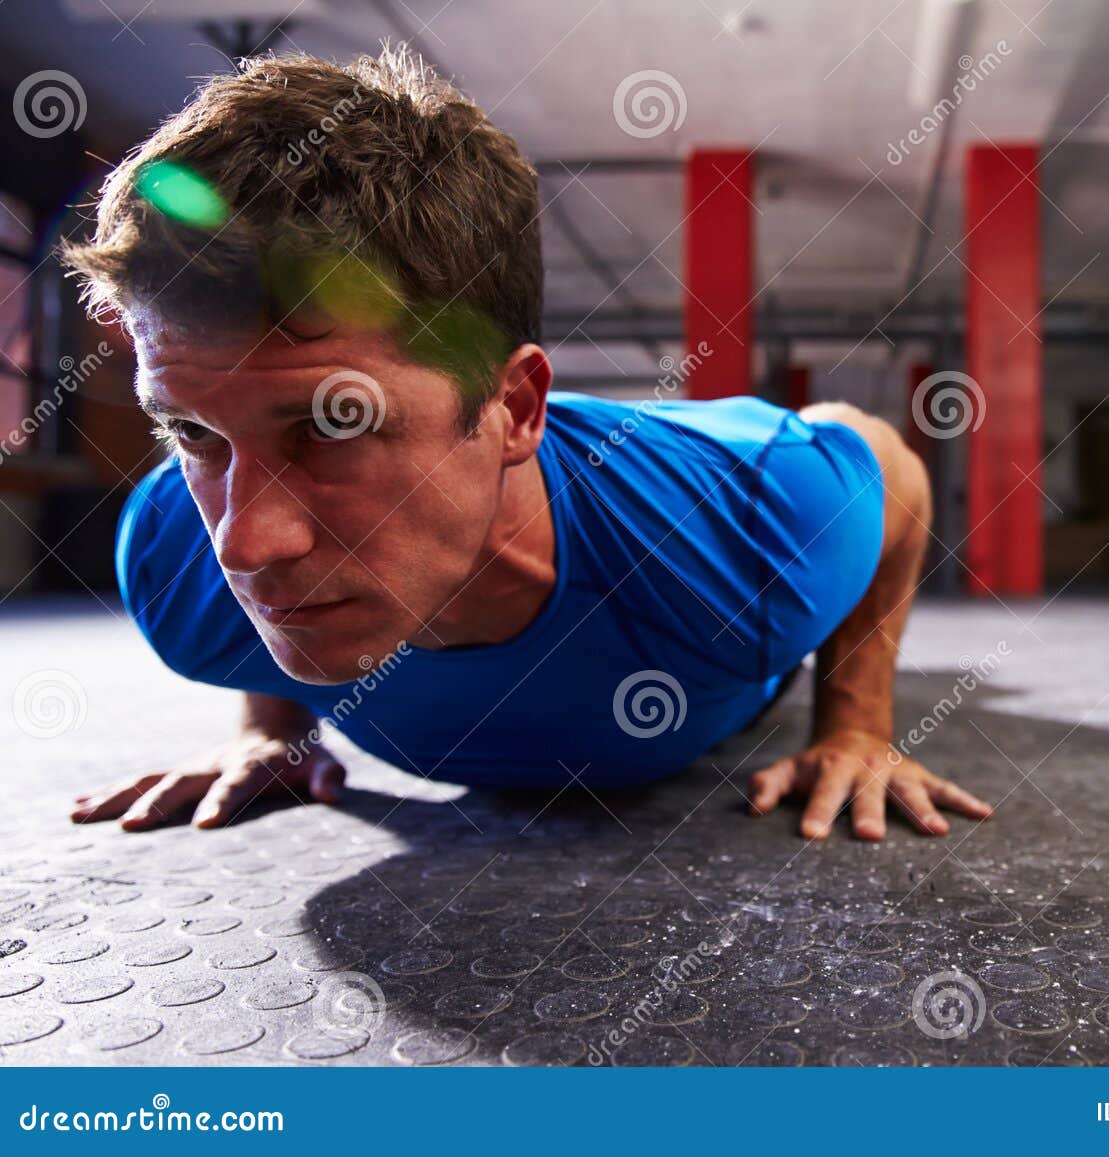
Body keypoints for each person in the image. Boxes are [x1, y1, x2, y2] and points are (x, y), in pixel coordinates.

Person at [61, 46, 991, 842]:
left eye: (333, 425)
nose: (244, 545)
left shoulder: (743, 540)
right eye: (191, 431)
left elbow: (885, 458)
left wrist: (858, 720)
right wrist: (272, 725)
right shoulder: (174, 562)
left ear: (516, 406)